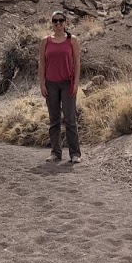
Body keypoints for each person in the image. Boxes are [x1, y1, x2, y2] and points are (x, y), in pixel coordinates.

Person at [38, 11, 81, 164]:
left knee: (70, 119)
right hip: (51, 84)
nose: (58, 24)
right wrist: (42, 84)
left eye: (60, 21)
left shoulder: (72, 40)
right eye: (55, 21)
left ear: (65, 22)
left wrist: (76, 83)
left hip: (67, 83)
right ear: (52, 23)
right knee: (54, 120)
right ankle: (56, 152)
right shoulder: (46, 41)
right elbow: (42, 63)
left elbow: (77, 62)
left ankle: (75, 153)